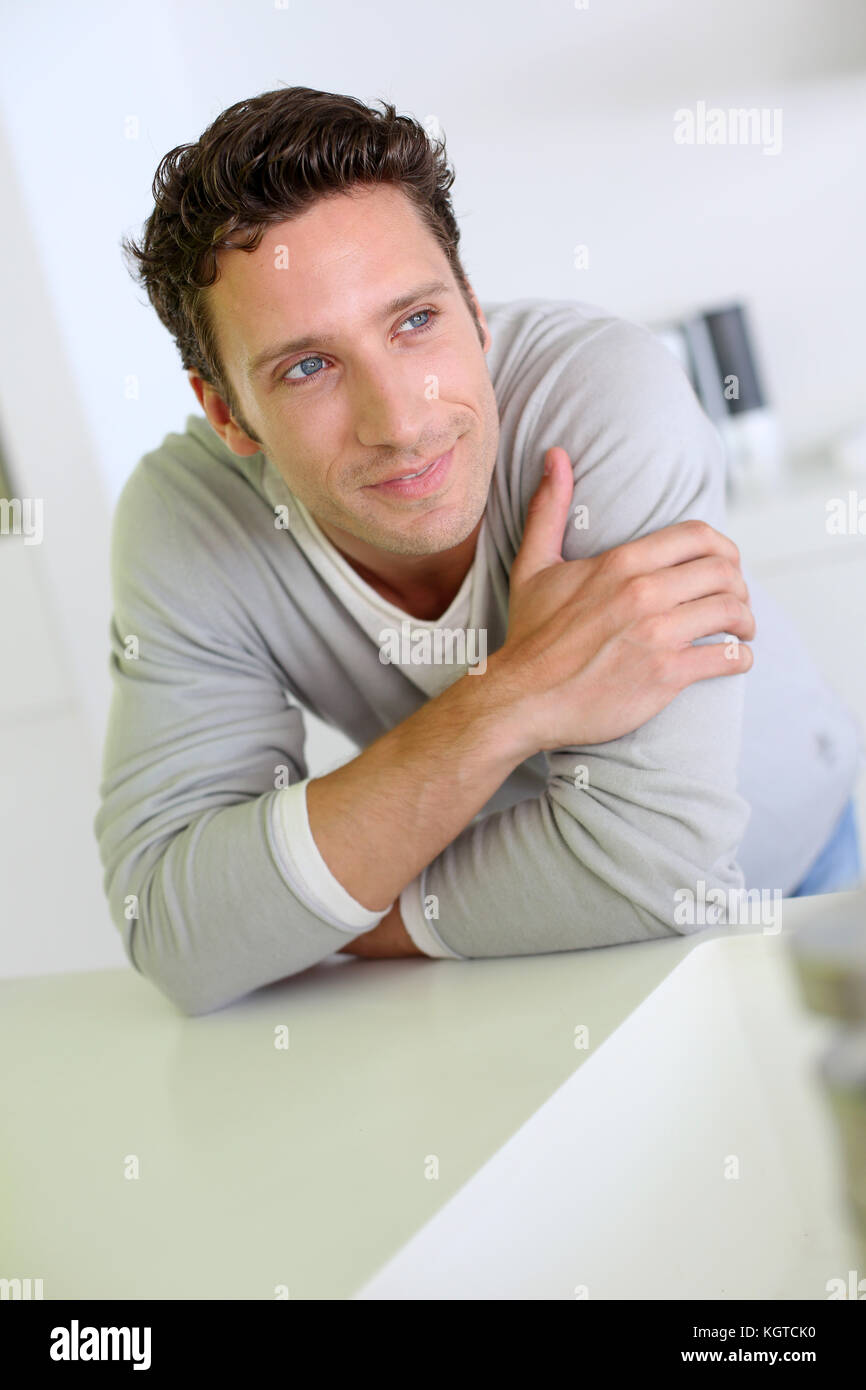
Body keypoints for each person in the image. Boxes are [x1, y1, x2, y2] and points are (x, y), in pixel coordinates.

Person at [94, 87, 863, 1015]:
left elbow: (659, 875)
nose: (402, 422)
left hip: (814, 883)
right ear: (228, 413)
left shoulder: (601, 397)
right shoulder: (185, 521)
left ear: (474, 308)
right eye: (307, 367)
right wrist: (507, 698)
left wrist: (314, 915)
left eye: (415, 322)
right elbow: (175, 934)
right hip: (525, 958)